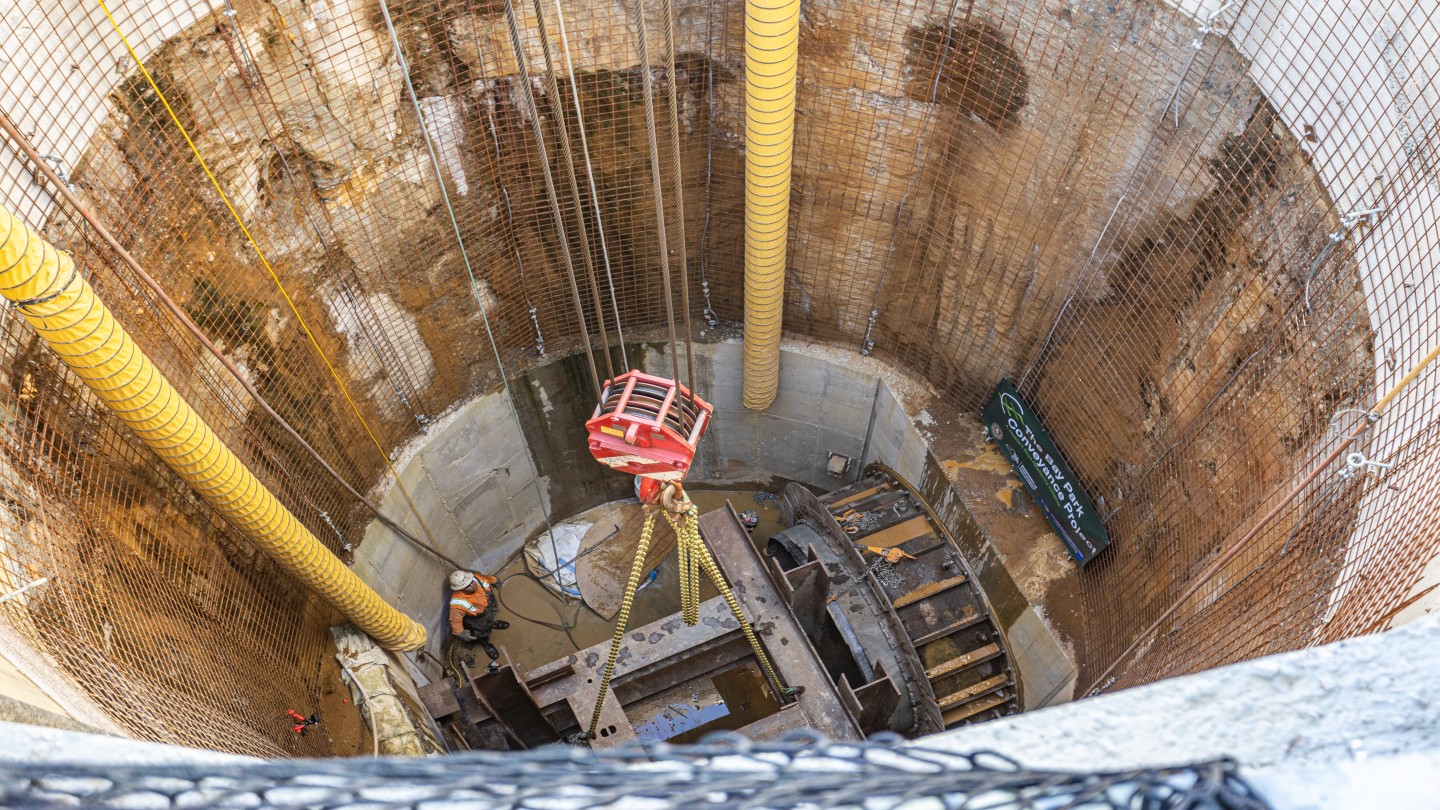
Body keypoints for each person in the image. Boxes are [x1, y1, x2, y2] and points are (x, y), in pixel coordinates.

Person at [448, 569, 509, 665]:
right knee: (481, 632)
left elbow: (488, 579)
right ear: (460, 589)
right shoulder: (457, 603)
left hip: (489, 607)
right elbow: (455, 620)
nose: (473, 585)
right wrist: (460, 633)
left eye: (471, 581)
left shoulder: (477, 578)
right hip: (478, 619)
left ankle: (492, 624)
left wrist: (495, 581)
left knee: (491, 617)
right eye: (468, 586)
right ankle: (485, 643)